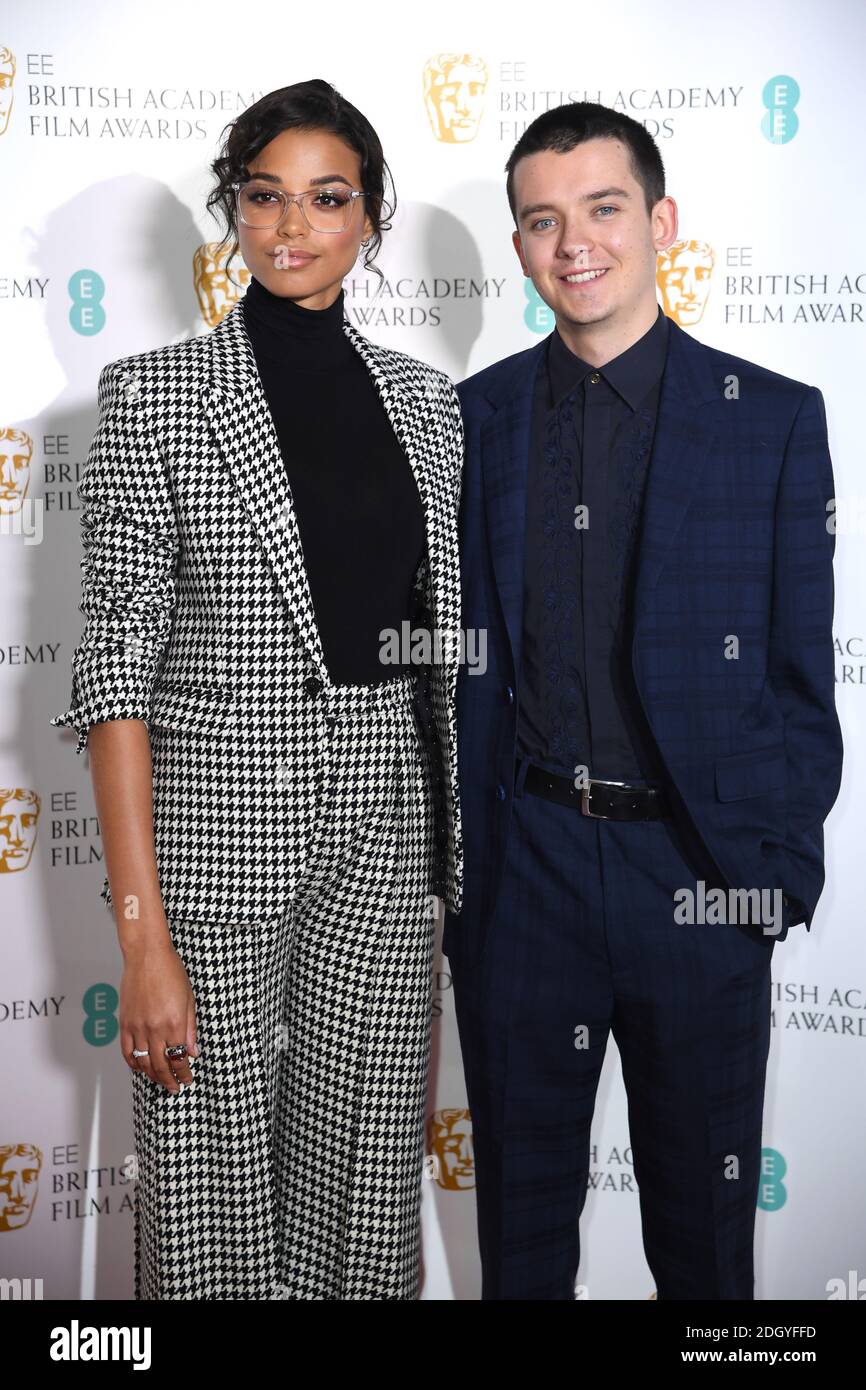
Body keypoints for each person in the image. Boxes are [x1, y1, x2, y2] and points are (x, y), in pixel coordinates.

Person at [50, 77, 464, 1301]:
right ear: (231, 211)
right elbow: (113, 673)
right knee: (204, 1191)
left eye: (326, 198)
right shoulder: (153, 396)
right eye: (264, 196)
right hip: (216, 843)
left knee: (366, 1184)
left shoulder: (429, 409)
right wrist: (142, 939)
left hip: (387, 835)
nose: (292, 225)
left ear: (369, 216)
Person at [443, 101, 842, 1300]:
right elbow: (457, 661)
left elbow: (798, 677)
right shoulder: (474, 419)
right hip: (525, 881)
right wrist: (469, 879)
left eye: (603, 208)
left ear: (659, 220)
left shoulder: (770, 419)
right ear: (517, 247)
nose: (575, 243)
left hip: (699, 876)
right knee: (518, 1248)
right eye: (541, 220)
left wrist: (767, 876)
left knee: (706, 1253)